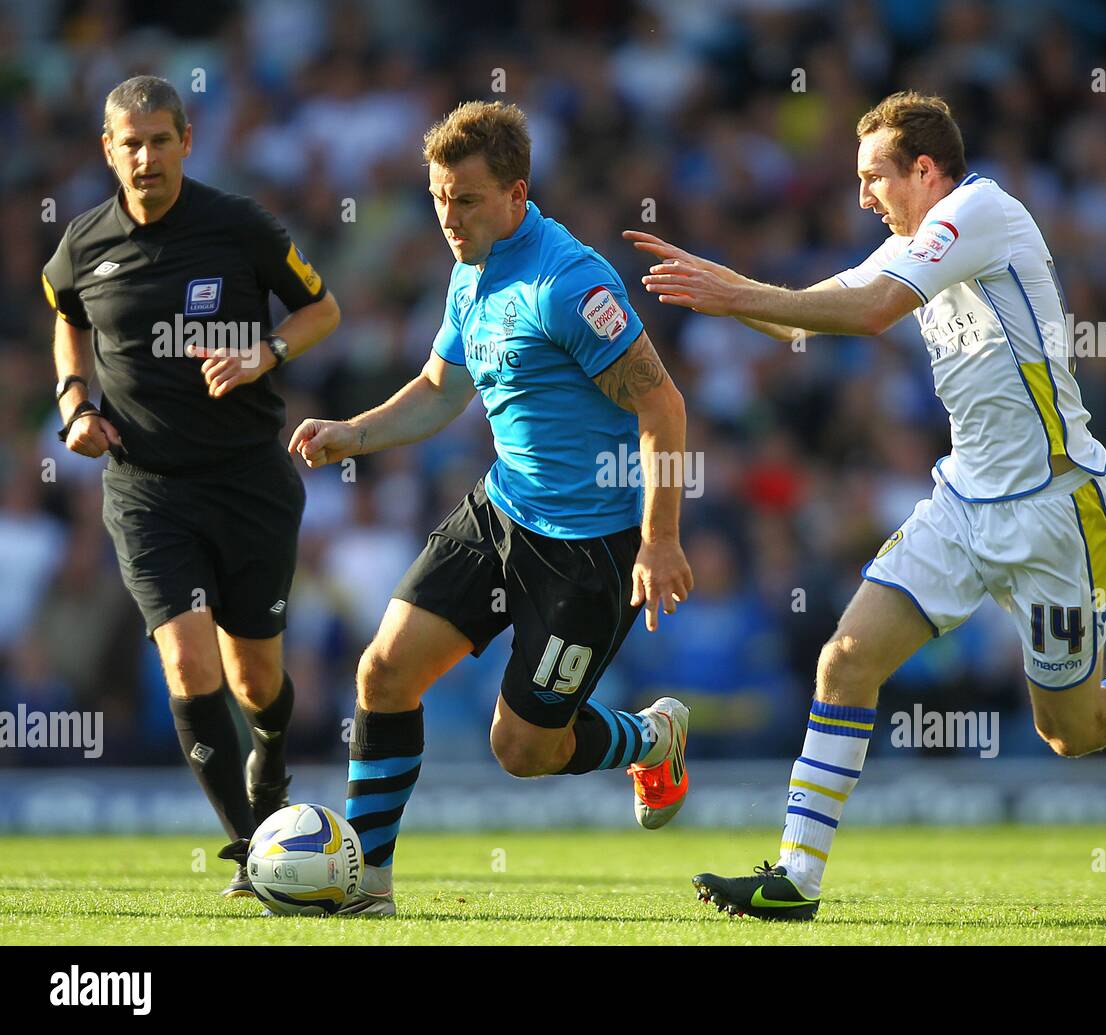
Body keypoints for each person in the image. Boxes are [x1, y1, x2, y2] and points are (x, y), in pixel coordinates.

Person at [628, 90, 1106, 921]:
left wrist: (738, 296)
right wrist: (716, 286)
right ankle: (795, 878)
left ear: (927, 170)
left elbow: (864, 313)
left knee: (1071, 729)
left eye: (875, 176)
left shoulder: (979, 211)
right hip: (964, 502)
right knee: (845, 660)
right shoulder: (920, 244)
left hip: (1056, 511)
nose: (863, 195)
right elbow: (819, 313)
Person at [288, 101, 693, 915]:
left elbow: (664, 408)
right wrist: (352, 434)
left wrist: (660, 539)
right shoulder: (469, 269)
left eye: (466, 200)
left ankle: (653, 737)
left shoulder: (569, 284)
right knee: (384, 671)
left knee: (522, 748)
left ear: (516, 194)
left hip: (590, 548)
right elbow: (440, 392)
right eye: (438, 197)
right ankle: (366, 881)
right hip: (501, 511)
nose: (448, 216)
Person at [42, 75, 341, 898]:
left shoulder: (238, 226)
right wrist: (74, 405)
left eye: (159, 139)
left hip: (249, 479)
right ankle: (252, 850)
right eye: (128, 143)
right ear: (108, 149)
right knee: (185, 659)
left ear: (186, 141)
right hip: (146, 488)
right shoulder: (81, 244)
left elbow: (322, 309)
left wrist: (267, 353)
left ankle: (271, 758)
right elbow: (67, 317)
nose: (145, 156)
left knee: (255, 682)